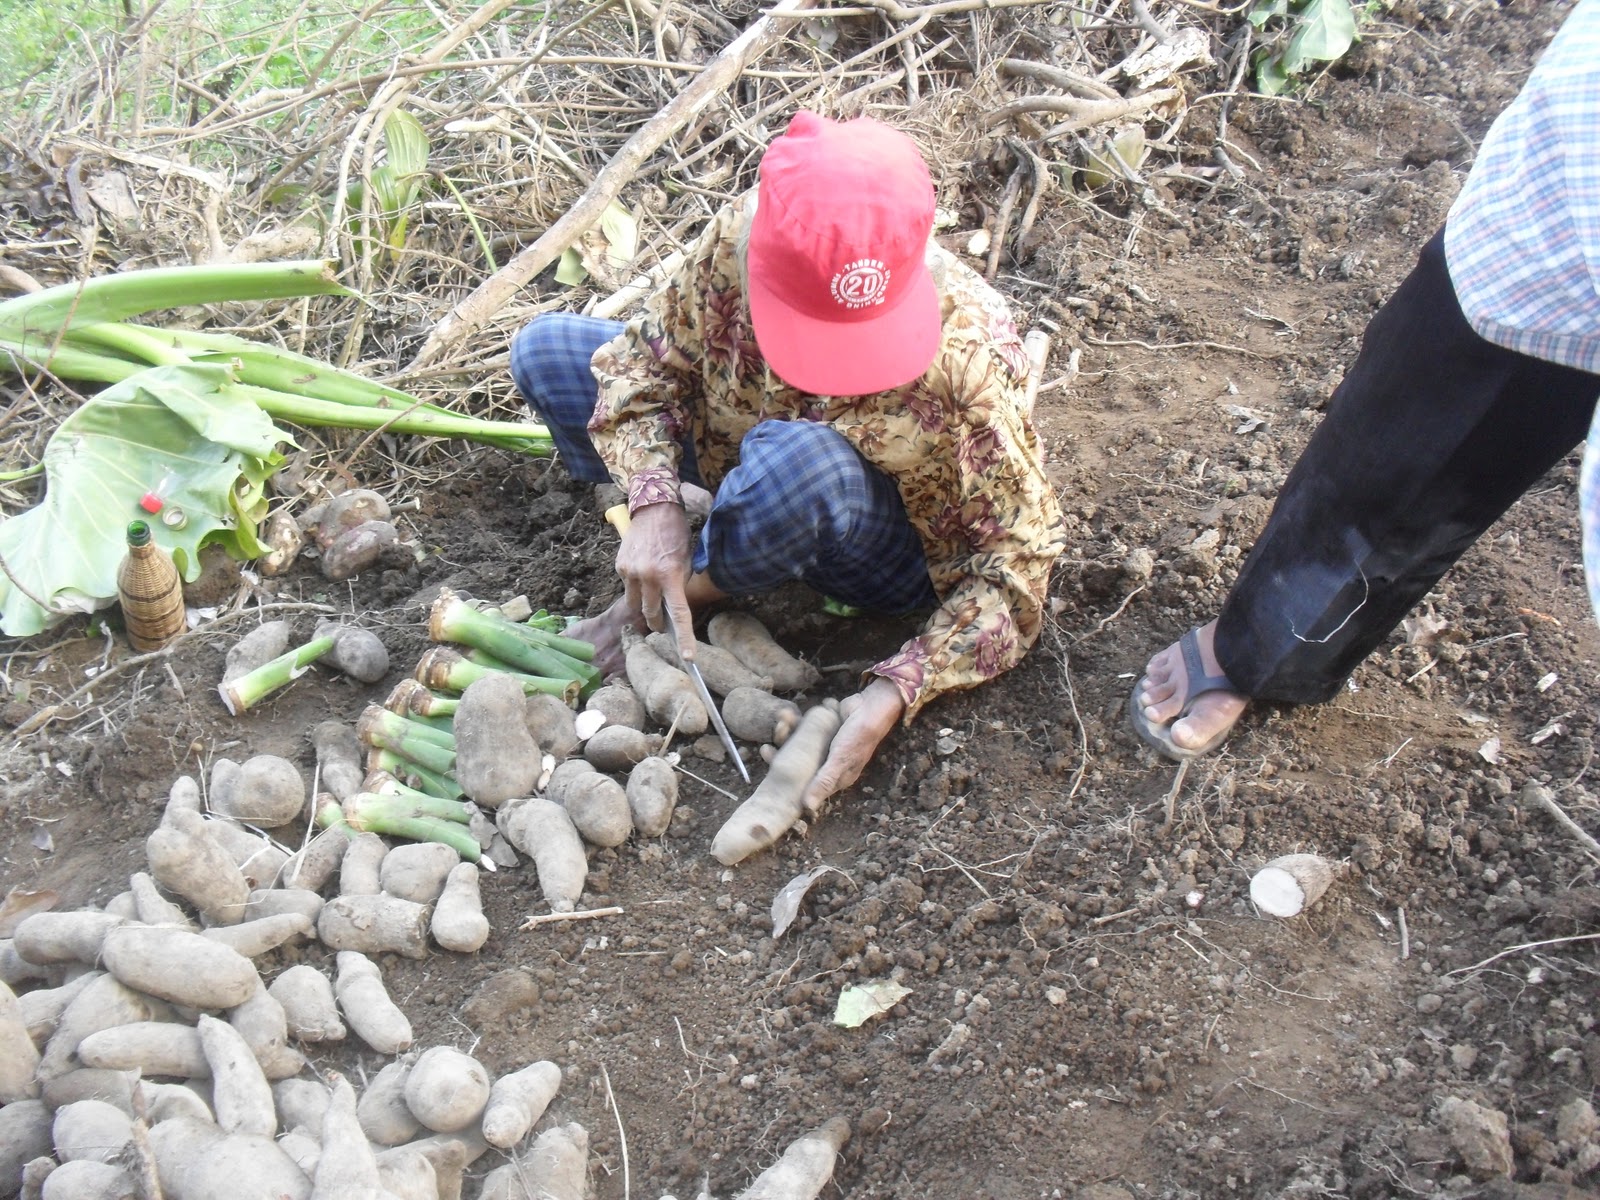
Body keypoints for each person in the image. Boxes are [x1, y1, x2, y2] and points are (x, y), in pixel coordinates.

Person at [510, 111, 1065, 810]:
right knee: (545, 353)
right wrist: (651, 500)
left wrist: (897, 690)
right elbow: (639, 366)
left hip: (872, 539)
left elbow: (1019, 568)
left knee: (798, 467)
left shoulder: (969, 360)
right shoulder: (747, 238)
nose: (829, 378)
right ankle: (700, 526)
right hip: (745, 458)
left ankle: (675, 595)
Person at [1130, 0, 1600, 761]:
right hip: (1552, 214)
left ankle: (1276, 651)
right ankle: (1258, 643)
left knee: (1450, 459)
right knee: (1410, 444)